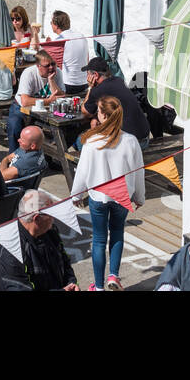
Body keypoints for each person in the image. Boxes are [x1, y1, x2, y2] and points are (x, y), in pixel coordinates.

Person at [71, 95, 145, 291]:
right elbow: (139, 170)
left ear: (103, 115)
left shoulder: (92, 141)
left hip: (98, 197)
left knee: (99, 240)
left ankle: (99, 286)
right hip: (123, 196)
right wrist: (139, 196)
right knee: (118, 233)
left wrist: (76, 195)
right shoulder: (130, 141)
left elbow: (82, 171)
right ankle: (114, 275)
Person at [17, 189, 79, 291]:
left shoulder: (50, 231)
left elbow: (65, 261)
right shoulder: (12, 251)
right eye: (51, 214)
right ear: (37, 218)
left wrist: (71, 283)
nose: (54, 218)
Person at [80, 57, 150, 147]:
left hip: (131, 144)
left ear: (95, 75)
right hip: (144, 137)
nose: (87, 77)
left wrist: (90, 87)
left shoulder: (97, 90)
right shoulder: (118, 80)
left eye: (88, 74)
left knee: (82, 141)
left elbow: (85, 112)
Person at [8, 51, 63, 147]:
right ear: (38, 66)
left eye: (53, 64)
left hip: (46, 110)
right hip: (21, 108)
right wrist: (49, 101)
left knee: (65, 127)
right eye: (47, 65)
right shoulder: (29, 73)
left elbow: (61, 97)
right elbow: (25, 102)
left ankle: (51, 155)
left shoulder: (57, 72)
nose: (51, 67)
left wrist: (51, 80)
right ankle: (14, 157)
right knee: (14, 126)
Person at [50, 11, 91, 95]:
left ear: (56, 25)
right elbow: (87, 59)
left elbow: (53, 64)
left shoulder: (59, 40)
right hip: (84, 83)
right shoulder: (81, 36)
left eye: (51, 22)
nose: (50, 24)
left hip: (68, 85)